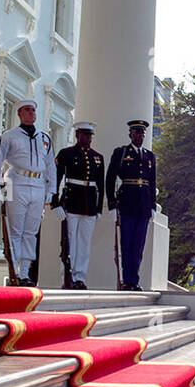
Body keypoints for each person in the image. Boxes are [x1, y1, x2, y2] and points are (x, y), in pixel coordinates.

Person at [0, 99, 55, 287]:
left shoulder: (44, 138)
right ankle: (14, 270)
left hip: (38, 184)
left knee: (31, 231)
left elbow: (50, 165)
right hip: (16, 181)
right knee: (15, 229)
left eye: (33, 110)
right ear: (19, 114)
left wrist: (52, 190)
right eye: (27, 110)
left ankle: (26, 271)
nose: (31, 113)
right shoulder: (10, 136)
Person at [53, 121, 104, 290]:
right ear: (77, 135)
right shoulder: (66, 154)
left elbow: (100, 185)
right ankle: (68, 276)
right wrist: (55, 203)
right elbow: (56, 178)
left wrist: (98, 208)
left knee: (84, 243)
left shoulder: (97, 157)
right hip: (71, 201)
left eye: (90, 135)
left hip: (89, 205)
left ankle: (80, 277)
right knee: (70, 242)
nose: (88, 138)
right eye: (84, 135)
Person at [105, 119, 156, 291]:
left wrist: (153, 206)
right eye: (136, 133)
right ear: (130, 135)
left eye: (142, 133)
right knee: (126, 244)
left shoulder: (150, 156)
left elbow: (153, 181)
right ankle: (127, 280)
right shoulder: (121, 153)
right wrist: (111, 204)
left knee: (138, 245)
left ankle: (135, 280)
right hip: (126, 204)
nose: (139, 136)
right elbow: (110, 178)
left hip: (143, 205)